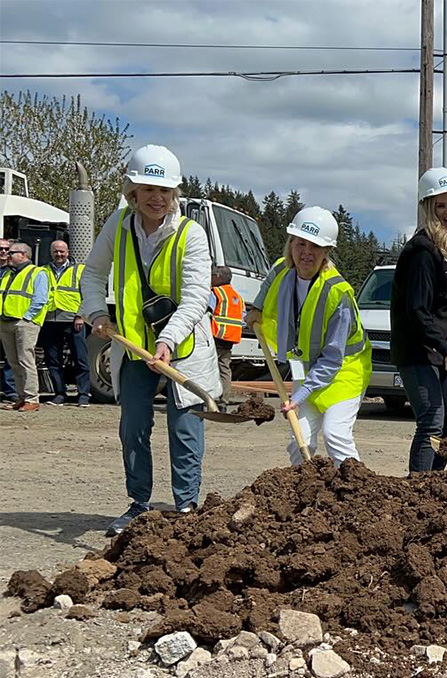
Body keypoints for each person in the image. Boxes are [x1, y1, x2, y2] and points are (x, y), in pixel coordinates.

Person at [80, 144, 221, 535]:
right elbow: (92, 274)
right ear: (133, 192)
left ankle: (186, 507)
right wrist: (96, 312)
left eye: (165, 191)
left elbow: (196, 298)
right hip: (132, 345)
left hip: (184, 347)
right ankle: (139, 503)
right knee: (133, 426)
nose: (157, 198)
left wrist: (168, 342)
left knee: (185, 427)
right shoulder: (119, 225)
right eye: (148, 190)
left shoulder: (191, 235)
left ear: (175, 193)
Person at [246, 206, 371, 466]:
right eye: (300, 243)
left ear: (326, 252)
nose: (306, 252)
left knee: (336, 435)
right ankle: (300, 494)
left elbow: (333, 358)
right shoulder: (283, 269)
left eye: (314, 246)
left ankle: (356, 495)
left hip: (344, 373)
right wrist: (257, 308)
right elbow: (270, 281)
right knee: (299, 439)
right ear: (290, 244)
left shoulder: (339, 294)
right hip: (306, 368)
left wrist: (298, 398)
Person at [391, 167, 447, 472]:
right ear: (428, 208)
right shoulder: (423, 250)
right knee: (432, 420)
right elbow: (416, 310)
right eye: (440, 205)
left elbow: (440, 292)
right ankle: (419, 488)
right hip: (418, 349)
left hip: (435, 347)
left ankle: (434, 483)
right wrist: (446, 350)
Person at [0, 242, 51, 411]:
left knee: (26, 361)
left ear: (23, 254)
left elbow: (41, 298)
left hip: (24, 323)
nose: (7, 255)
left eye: (11, 252)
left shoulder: (38, 273)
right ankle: (21, 397)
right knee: (14, 362)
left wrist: (27, 318)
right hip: (6, 321)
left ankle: (32, 398)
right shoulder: (8, 273)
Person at [40, 240, 91, 407]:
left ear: (68, 252)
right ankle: (59, 394)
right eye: (56, 251)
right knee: (53, 360)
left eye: (62, 251)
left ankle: (83, 394)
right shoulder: (43, 271)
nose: (59, 254)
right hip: (49, 320)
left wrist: (80, 316)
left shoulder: (79, 270)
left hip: (72, 320)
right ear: (51, 252)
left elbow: (87, 294)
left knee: (80, 358)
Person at [208, 266, 244, 411]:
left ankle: (207, 401)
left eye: (211, 275)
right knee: (224, 370)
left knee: (207, 369)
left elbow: (206, 311)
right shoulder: (237, 297)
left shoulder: (216, 292)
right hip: (229, 340)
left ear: (217, 276)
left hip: (215, 336)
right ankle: (223, 402)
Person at [0, 238, 16, 403]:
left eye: (7, 250)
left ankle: (10, 391)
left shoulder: (14, 272)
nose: (4, 252)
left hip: (6, 318)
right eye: (1, 249)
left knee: (10, 358)